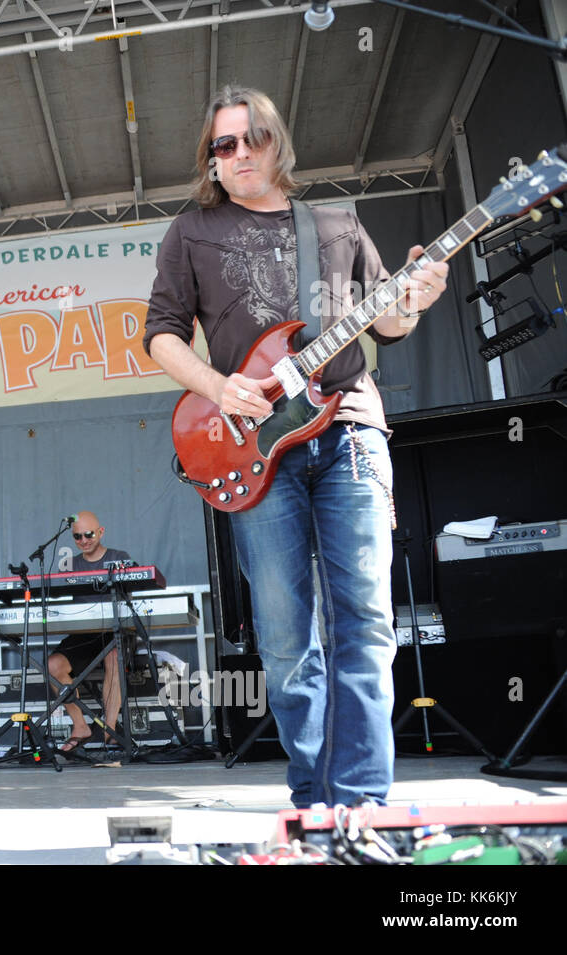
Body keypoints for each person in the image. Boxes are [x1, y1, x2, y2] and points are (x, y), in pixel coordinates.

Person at [144, 86, 448, 807]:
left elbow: (390, 325)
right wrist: (219, 389)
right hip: (256, 446)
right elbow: (160, 335)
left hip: (349, 428)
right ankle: (315, 795)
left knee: (367, 621)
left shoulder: (335, 223)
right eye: (224, 145)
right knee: (284, 640)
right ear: (210, 160)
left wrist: (413, 298)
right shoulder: (191, 232)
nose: (241, 153)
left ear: (277, 141)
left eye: (253, 138)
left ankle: (362, 801)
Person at [49, 510, 133, 752]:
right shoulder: (70, 564)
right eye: (77, 537)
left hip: (115, 632)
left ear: (101, 532)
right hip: (84, 635)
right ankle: (80, 726)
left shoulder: (120, 557)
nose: (83, 541)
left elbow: (133, 594)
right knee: (54, 665)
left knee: (113, 655)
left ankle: (109, 729)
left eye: (88, 534)